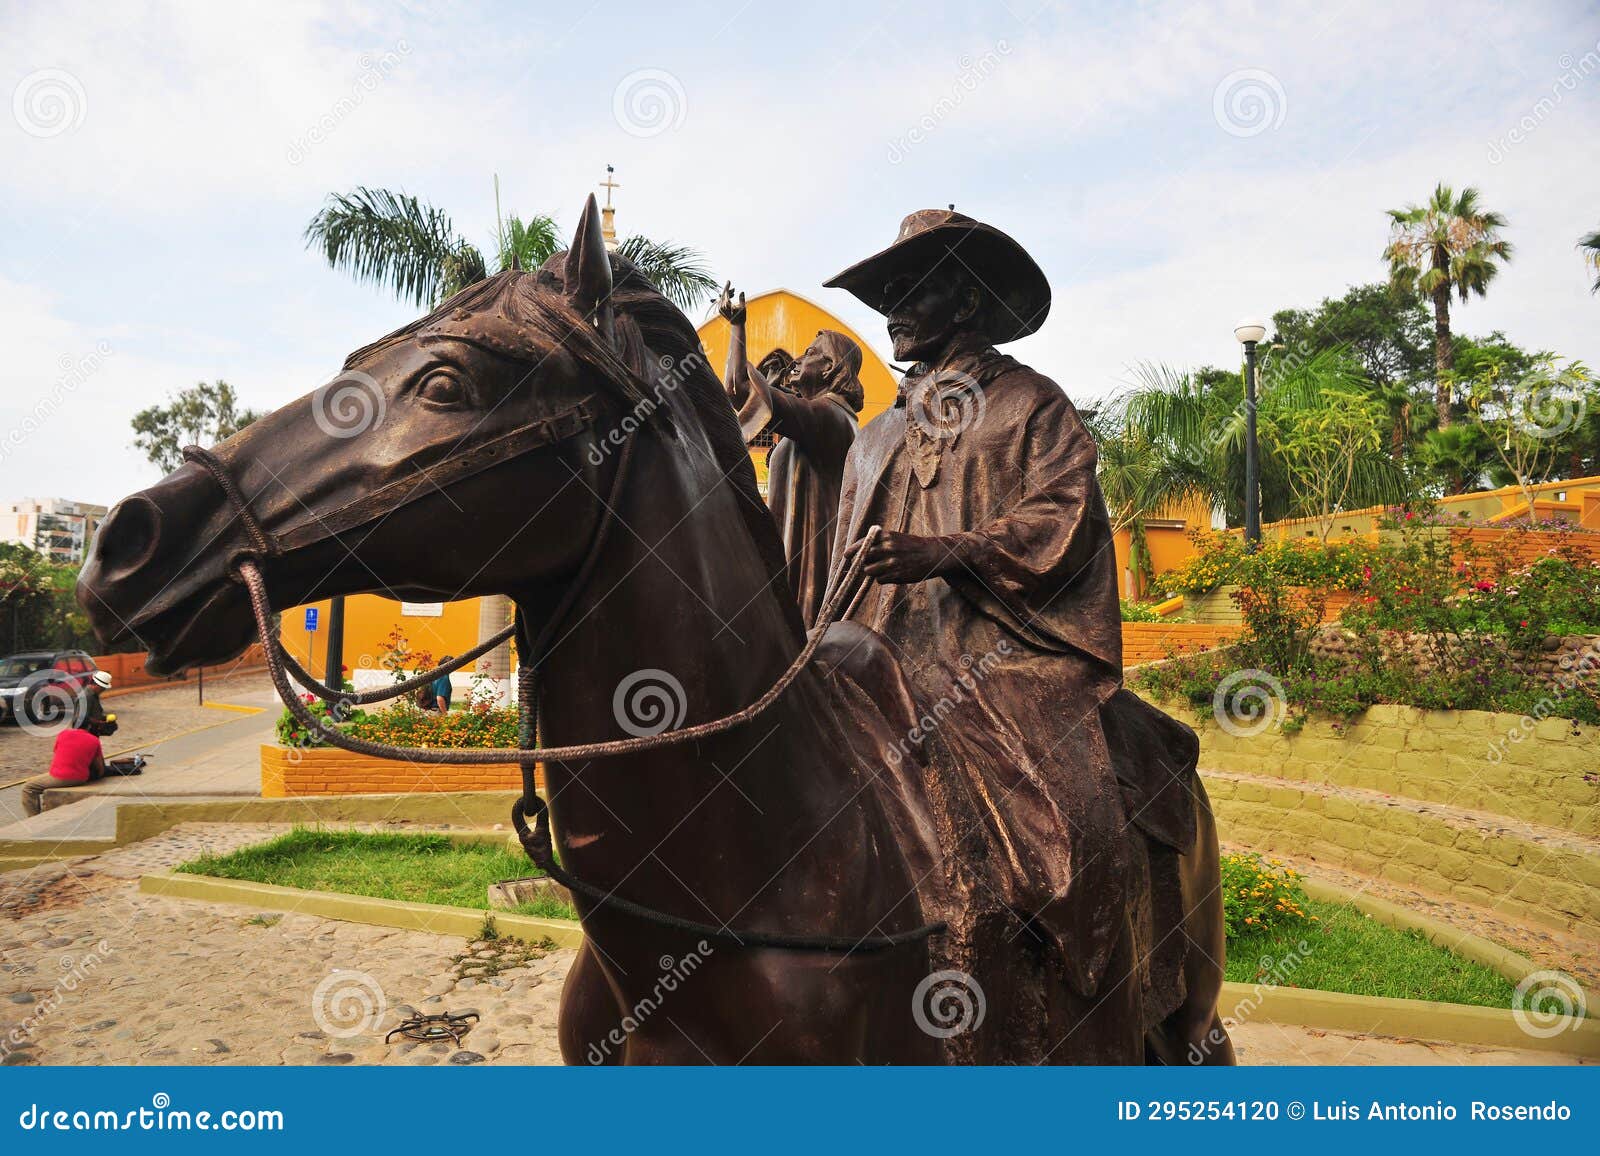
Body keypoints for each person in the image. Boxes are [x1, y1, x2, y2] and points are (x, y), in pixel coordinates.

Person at [821, 208, 1225, 1064]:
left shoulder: (1029, 405)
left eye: (912, 288)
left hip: (998, 657)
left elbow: (1064, 518)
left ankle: (1082, 1012)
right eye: (885, 293)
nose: (892, 308)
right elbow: (839, 571)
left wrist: (949, 550)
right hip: (871, 652)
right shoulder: (873, 439)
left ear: (964, 300)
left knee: (1065, 824)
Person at [718, 283, 865, 626]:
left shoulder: (831, 417)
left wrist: (738, 328)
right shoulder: (815, 420)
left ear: (830, 368)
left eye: (811, 353)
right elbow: (739, 395)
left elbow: (739, 389)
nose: (797, 359)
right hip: (790, 565)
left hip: (812, 574)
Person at [20, 715, 110, 817]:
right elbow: (100, 768)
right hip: (81, 777)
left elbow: (58, 753)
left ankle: (34, 818)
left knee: (28, 788)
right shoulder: (94, 740)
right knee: (34, 781)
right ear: (89, 726)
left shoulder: (63, 734)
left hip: (61, 776)